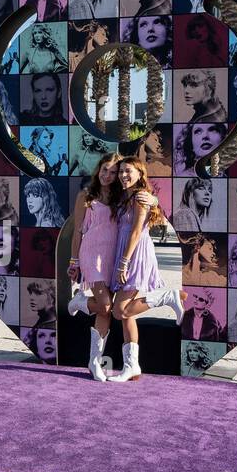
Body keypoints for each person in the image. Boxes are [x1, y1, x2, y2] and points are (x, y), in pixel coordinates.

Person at [66, 154, 157, 381]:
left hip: (113, 257)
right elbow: (78, 231)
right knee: (106, 307)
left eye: (114, 172)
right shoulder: (86, 196)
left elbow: (144, 202)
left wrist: (153, 200)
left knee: (114, 312)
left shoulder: (121, 196)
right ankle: (82, 304)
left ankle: (111, 363)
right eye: (105, 170)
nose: (109, 175)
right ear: (98, 170)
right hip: (92, 256)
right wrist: (73, 261)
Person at [109, 156, 186, 381]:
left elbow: (134, 232)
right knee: (126, 317)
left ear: (140, 173)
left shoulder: (141, 197)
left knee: (119, 310)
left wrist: (123, 262)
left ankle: (167, 297)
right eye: (121, 171)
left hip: (135, 254)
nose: (123, 175)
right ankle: (131, 366)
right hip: (126, 252)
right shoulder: (127, 195)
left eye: (128, 171)